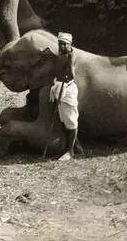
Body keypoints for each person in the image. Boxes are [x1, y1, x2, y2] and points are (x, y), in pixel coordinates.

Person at [49, 32, 79, 161]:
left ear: (70, 44)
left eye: (64, 44)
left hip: (67, 89)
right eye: (60, 44)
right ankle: (68, 146)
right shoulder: (61, 56)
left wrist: (69, 67)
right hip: (59, 87)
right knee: (63, 119)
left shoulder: (70, 56)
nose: (61, 47)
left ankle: (70, 151)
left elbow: (72, 75)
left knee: (71, 120)